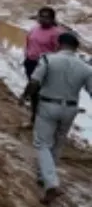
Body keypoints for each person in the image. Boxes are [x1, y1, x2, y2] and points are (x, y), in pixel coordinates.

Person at [20, 32, 92, 204]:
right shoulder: (85, 67)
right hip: (70, 108)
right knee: (58, 142)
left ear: (59, 44)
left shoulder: (48, 60)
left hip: (48, 105)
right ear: (76, 48)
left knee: (42, 143)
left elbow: (35, 82)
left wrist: (25, 96)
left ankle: (51, 183)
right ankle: (44, 175)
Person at [23, 7, 64, 125]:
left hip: (45, 66)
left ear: (52, 19)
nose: (43, 19)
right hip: (30, 63)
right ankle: (34, 119)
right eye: (41, 16)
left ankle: (45, 120)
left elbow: (59, 51)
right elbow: (28, 43)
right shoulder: (34, 29)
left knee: (43, 94)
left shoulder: (57, 33)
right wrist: (26, 56)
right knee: (34, 93)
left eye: (46, 17)